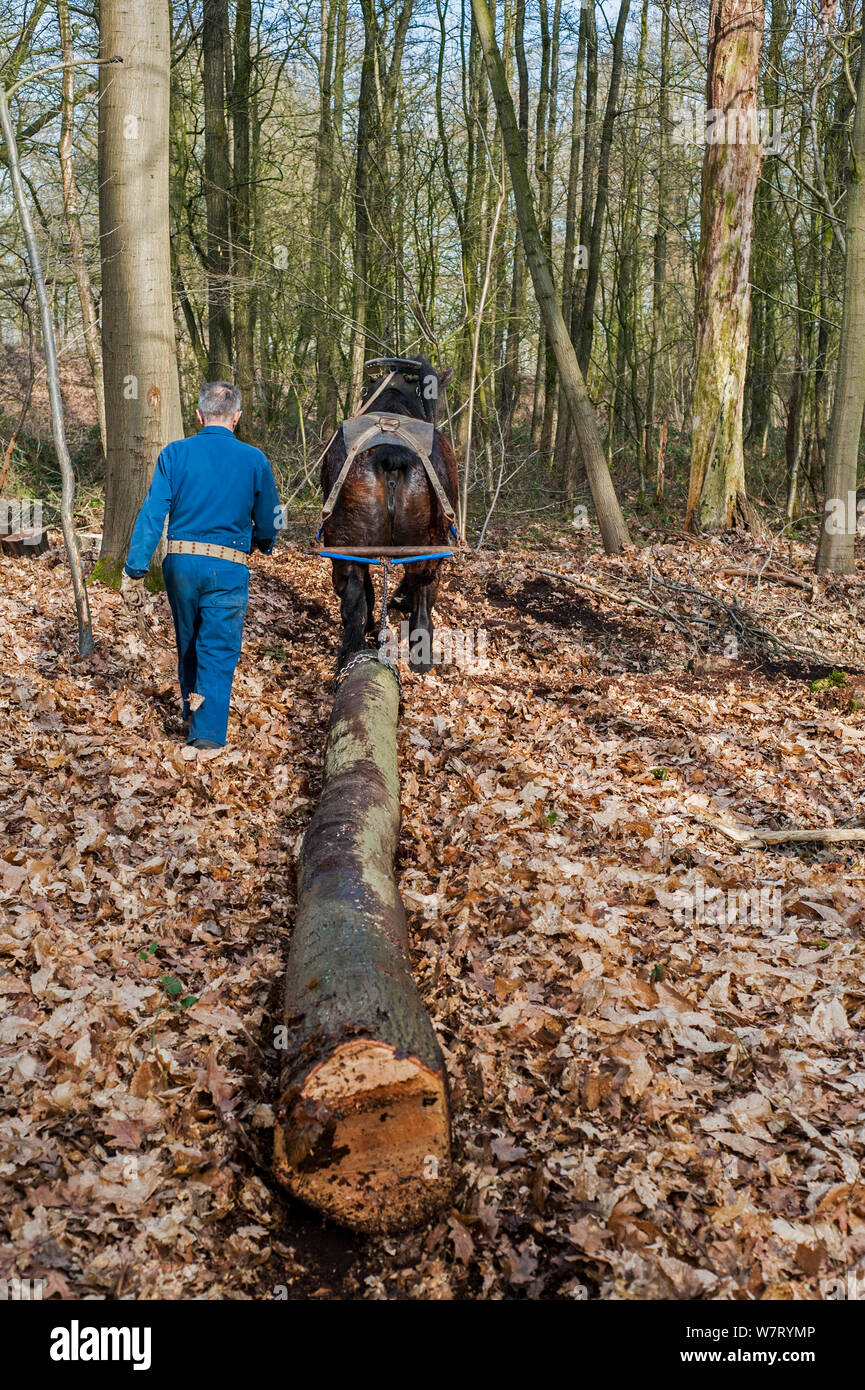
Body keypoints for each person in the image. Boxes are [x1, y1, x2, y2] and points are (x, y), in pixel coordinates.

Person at [121, 382, 281, 751]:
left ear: (199, 415)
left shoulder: (174, 454)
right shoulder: (255, 459)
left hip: (180, 567)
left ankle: (193, 712)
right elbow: (272, 519)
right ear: (237, 417)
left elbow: (152, 513)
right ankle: (206, 735)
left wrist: (135, 569)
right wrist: (266, 542)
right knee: (218, 648)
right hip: (227, 568)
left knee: (189, 642)